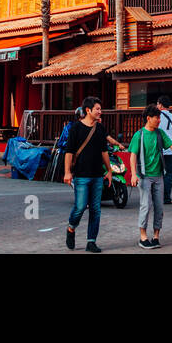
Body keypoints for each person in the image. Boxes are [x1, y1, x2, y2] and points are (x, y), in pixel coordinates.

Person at [128, 104, 172, 249]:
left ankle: (156, 236)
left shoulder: (160, 133)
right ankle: (143, 237)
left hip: (159, 176)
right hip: (144, 176)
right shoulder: (138, 135)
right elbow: (133, 156)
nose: (159, 120)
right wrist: (133, 174)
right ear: (148, 118)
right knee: (146, 206)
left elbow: (171, 145)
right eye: (157, 118)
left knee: (159, 207)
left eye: (159, 118)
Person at [63, 96, 112, 253]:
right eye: (97, 109)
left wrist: (109, 170)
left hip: (98, 175)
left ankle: (91, 241)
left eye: (100, 109)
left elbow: (104, 152)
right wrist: (67, 172)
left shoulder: (100, 128)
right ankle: (71, 228)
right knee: (80, 206)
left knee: (96, 209)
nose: (100, 111)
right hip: (81, 175)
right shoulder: (76, 128)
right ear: (88, 110)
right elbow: (69, 152)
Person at [157, 96, 172, 205]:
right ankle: (166, 198)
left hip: (157, 150)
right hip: (170, 150)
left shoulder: (155, 117)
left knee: (157, 174)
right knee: (168, 175)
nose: (157, 106)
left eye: (157, 104)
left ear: (161, 105)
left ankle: (156, 197)